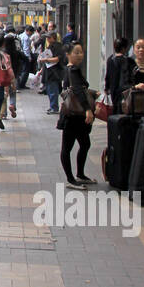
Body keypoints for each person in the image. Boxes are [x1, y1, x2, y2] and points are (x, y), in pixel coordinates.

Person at [58, 42, 96, 186]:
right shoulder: (72, 69)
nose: (80, 55)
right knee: (67, 147)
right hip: (73, 115)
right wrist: (88, 109)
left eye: (81, 52)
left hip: (75, 114)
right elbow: (78, 91)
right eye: (76, 52)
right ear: (68, 54)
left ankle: (80, 174)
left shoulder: (70, 69)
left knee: (85, 144)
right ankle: (71, 178)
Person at [104, 36, 136, 113]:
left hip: (113, 89)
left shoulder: (110, 59)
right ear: (123, 48)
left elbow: (108, 75)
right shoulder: (129, 61)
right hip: (125, 90)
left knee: (115, 108)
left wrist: (107, 87)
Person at [40, 31, 66, 114]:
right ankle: (52, 106)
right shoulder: (50, 46)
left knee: (53, 90)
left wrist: (46, 60)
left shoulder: (58, 47)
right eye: (47, 37)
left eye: (49, 37)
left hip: (54, 72)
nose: (47, 39)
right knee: (49, 89)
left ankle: (54, 107)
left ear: (53, 38)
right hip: (49, 71)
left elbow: (57, 59)